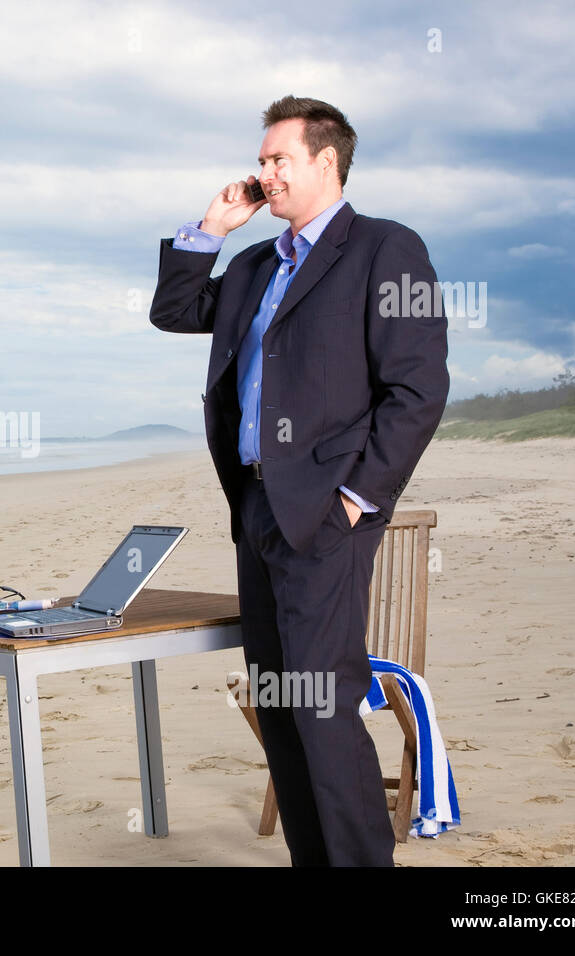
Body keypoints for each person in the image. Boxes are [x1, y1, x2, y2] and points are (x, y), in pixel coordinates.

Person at [149, 95, 449, 866]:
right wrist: (210, 231)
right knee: (281, 709)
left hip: (327, 512)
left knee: (322, 711)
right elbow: (175, 310)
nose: (264, 173)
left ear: (327, 160)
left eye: (278, 159)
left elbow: (416, 390)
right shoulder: (252, 265)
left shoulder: (386, 249)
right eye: (261, 160)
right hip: (255, 508)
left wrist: (357, 500)